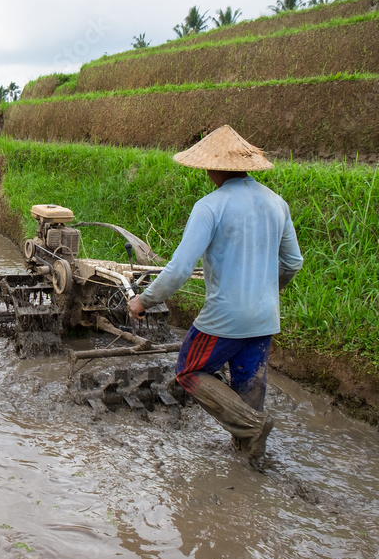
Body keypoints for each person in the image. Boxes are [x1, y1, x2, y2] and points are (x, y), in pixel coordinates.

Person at [128, 125, 304, 463]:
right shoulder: (276, 203)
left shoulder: (210, 207)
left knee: (189, 370)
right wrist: (268, 292)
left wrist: (143, 300)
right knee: (248, 388)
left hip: (224, 318)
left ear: (211, 167)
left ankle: (252, 426)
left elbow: (179, 269)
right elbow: (293, 262)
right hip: (265, 317)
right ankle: (249, 463)